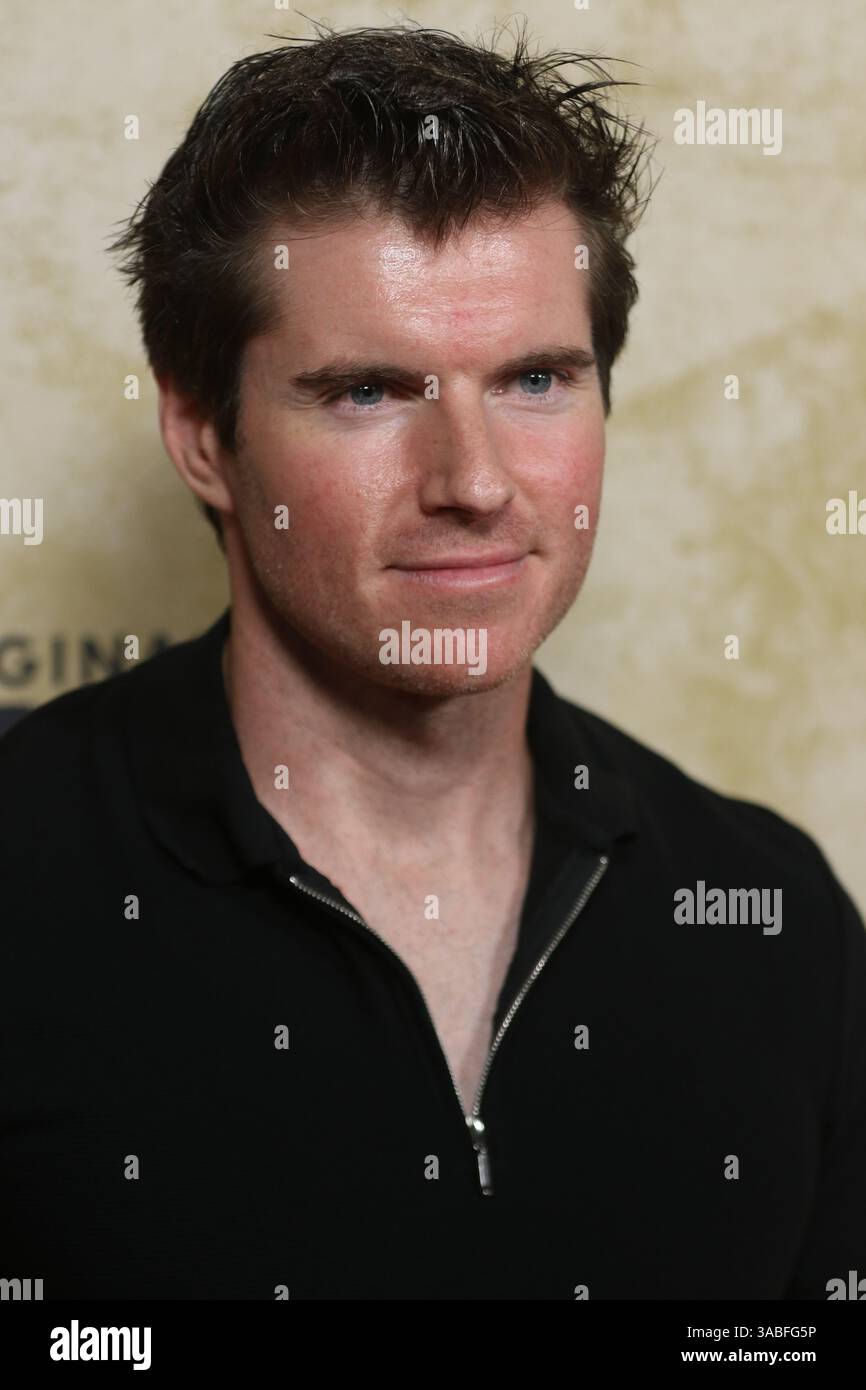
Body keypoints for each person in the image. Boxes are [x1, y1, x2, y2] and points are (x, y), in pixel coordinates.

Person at [1, 23, 863, 1302]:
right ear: (199, 435)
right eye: (367, 392)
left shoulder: (767, 913)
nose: (470, 482)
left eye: (531, 378)